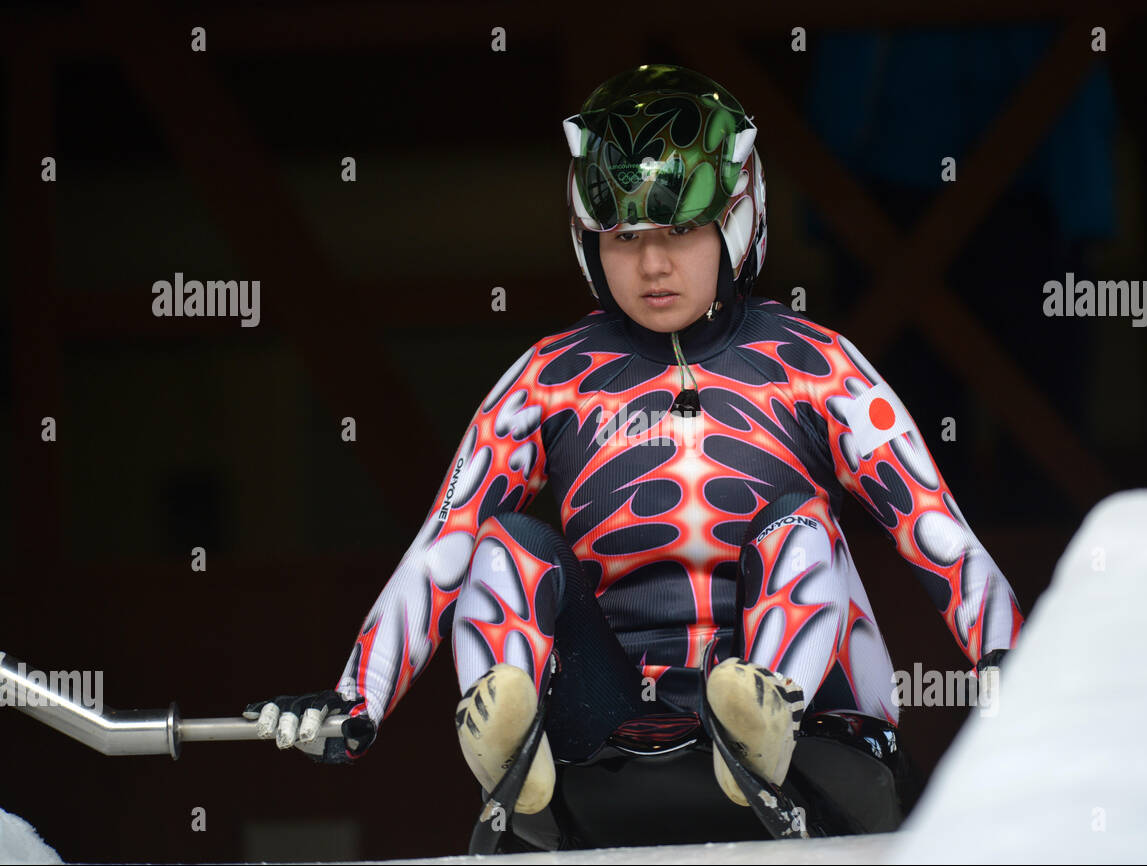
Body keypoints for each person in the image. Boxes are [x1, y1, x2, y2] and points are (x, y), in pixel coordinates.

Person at [246, 64, 1023, 823]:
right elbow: (441, 548)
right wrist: (357, 697)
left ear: (737, 217)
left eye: (681, 229)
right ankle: (515, 763)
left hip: (820, 738)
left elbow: (938, 534)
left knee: (802, 522)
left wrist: (1014, 664)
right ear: (589, 239)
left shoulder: (817, 364)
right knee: (503, 542)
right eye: (623, 236)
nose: (653, 264)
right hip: (613, 739)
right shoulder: (549, 377)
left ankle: (759, 728)